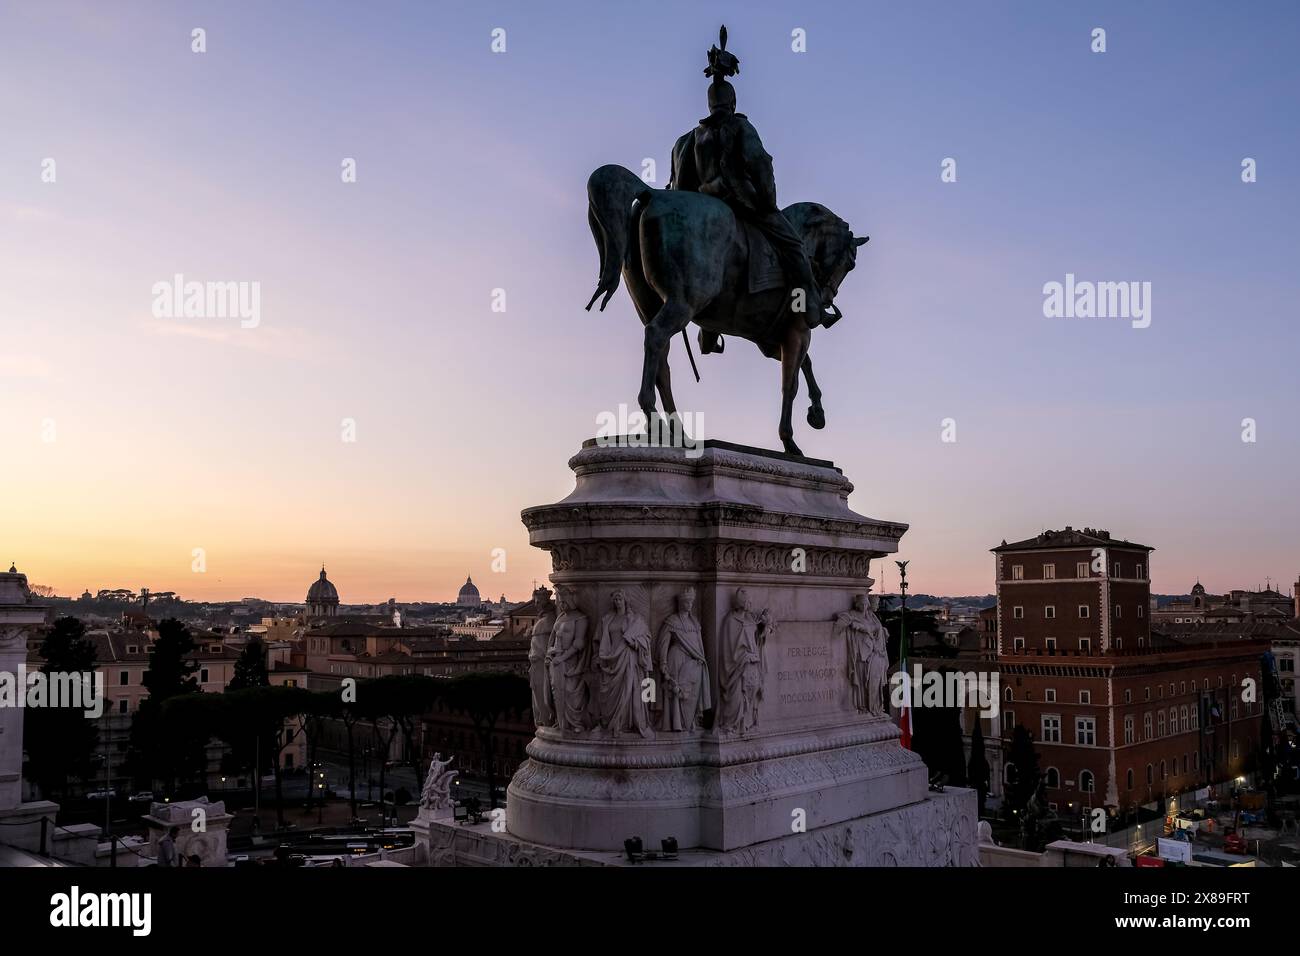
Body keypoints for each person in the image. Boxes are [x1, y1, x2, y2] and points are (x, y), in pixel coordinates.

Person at [669, 26, 829, 356]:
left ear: (711, 102)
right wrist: (767, 202)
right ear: (732, 100)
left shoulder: (692, 137)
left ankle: (709, 332)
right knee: (794, 246)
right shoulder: (741, 126)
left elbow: (680, 185)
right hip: (739, 199)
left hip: (704, 197)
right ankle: (812, 307)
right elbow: (760, 164)